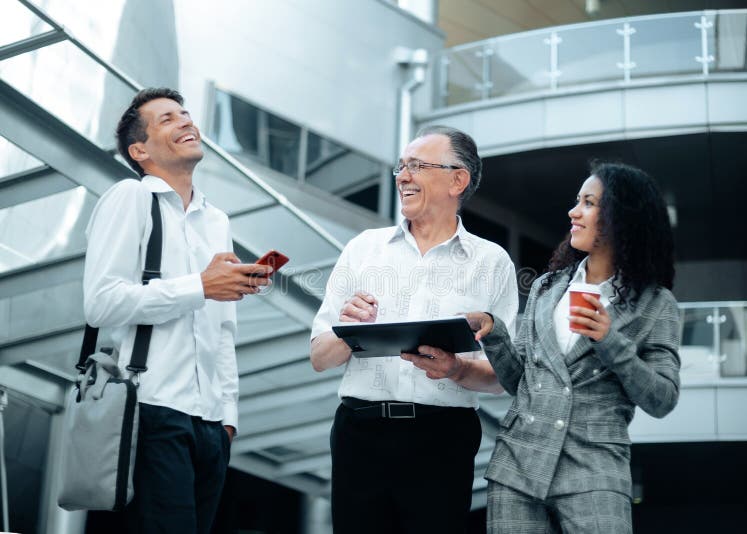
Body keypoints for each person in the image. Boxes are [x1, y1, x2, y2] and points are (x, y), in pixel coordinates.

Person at [309, 125, 519, 534]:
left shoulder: (491, 263)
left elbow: (503, 376)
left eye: (418, 166)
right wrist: (348, 330)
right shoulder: (362, 249)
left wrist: (456, 369)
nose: (403, 176)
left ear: (458, 180)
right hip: (360, 433)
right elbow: (319, 357)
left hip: (442, 439)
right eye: (401, 167)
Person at [83, 87, 272, 533]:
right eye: (167, 118)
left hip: (209, 427)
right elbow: (101, 303)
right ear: (140, 149)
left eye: (185, 114)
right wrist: (199, 286)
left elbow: (223, 329)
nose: (186, 121)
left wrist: (228, 418)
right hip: (151, 408)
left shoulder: (216, 220)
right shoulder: (130, 198)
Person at [467, 162, 680, 533]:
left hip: (594, 469)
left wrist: (610, 341)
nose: (573, 212)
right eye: (576, 201)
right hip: (518, 467)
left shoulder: (656, 304)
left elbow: (662, 399)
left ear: (622, 217)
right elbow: (524, 383)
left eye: (588, 203)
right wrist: (496, 335)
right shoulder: (546, 288)